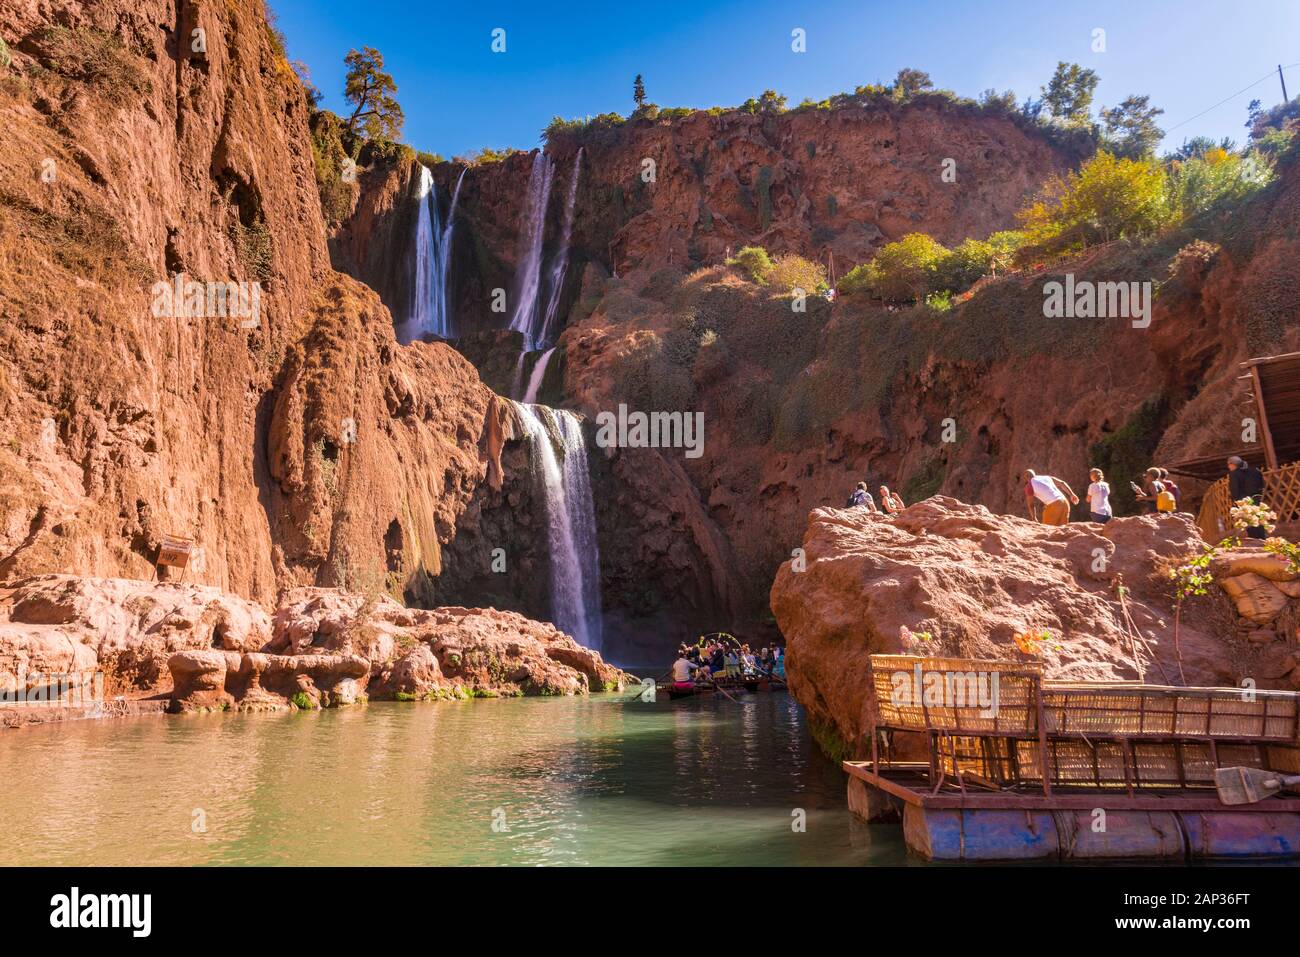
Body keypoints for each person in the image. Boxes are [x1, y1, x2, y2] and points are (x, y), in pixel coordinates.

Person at [1227, 455, 1267, 539]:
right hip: (1256, 497)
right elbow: (1262, 484)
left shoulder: (1234, 473)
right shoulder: (1254, 470)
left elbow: (1234, 488)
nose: (1228, 467)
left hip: (1243, 499)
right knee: (1257, 516)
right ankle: (1262, 537)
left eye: (1229, 464)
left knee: (1247, 517)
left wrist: (1235, 499)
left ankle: (1254, 537)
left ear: (1233, 464)